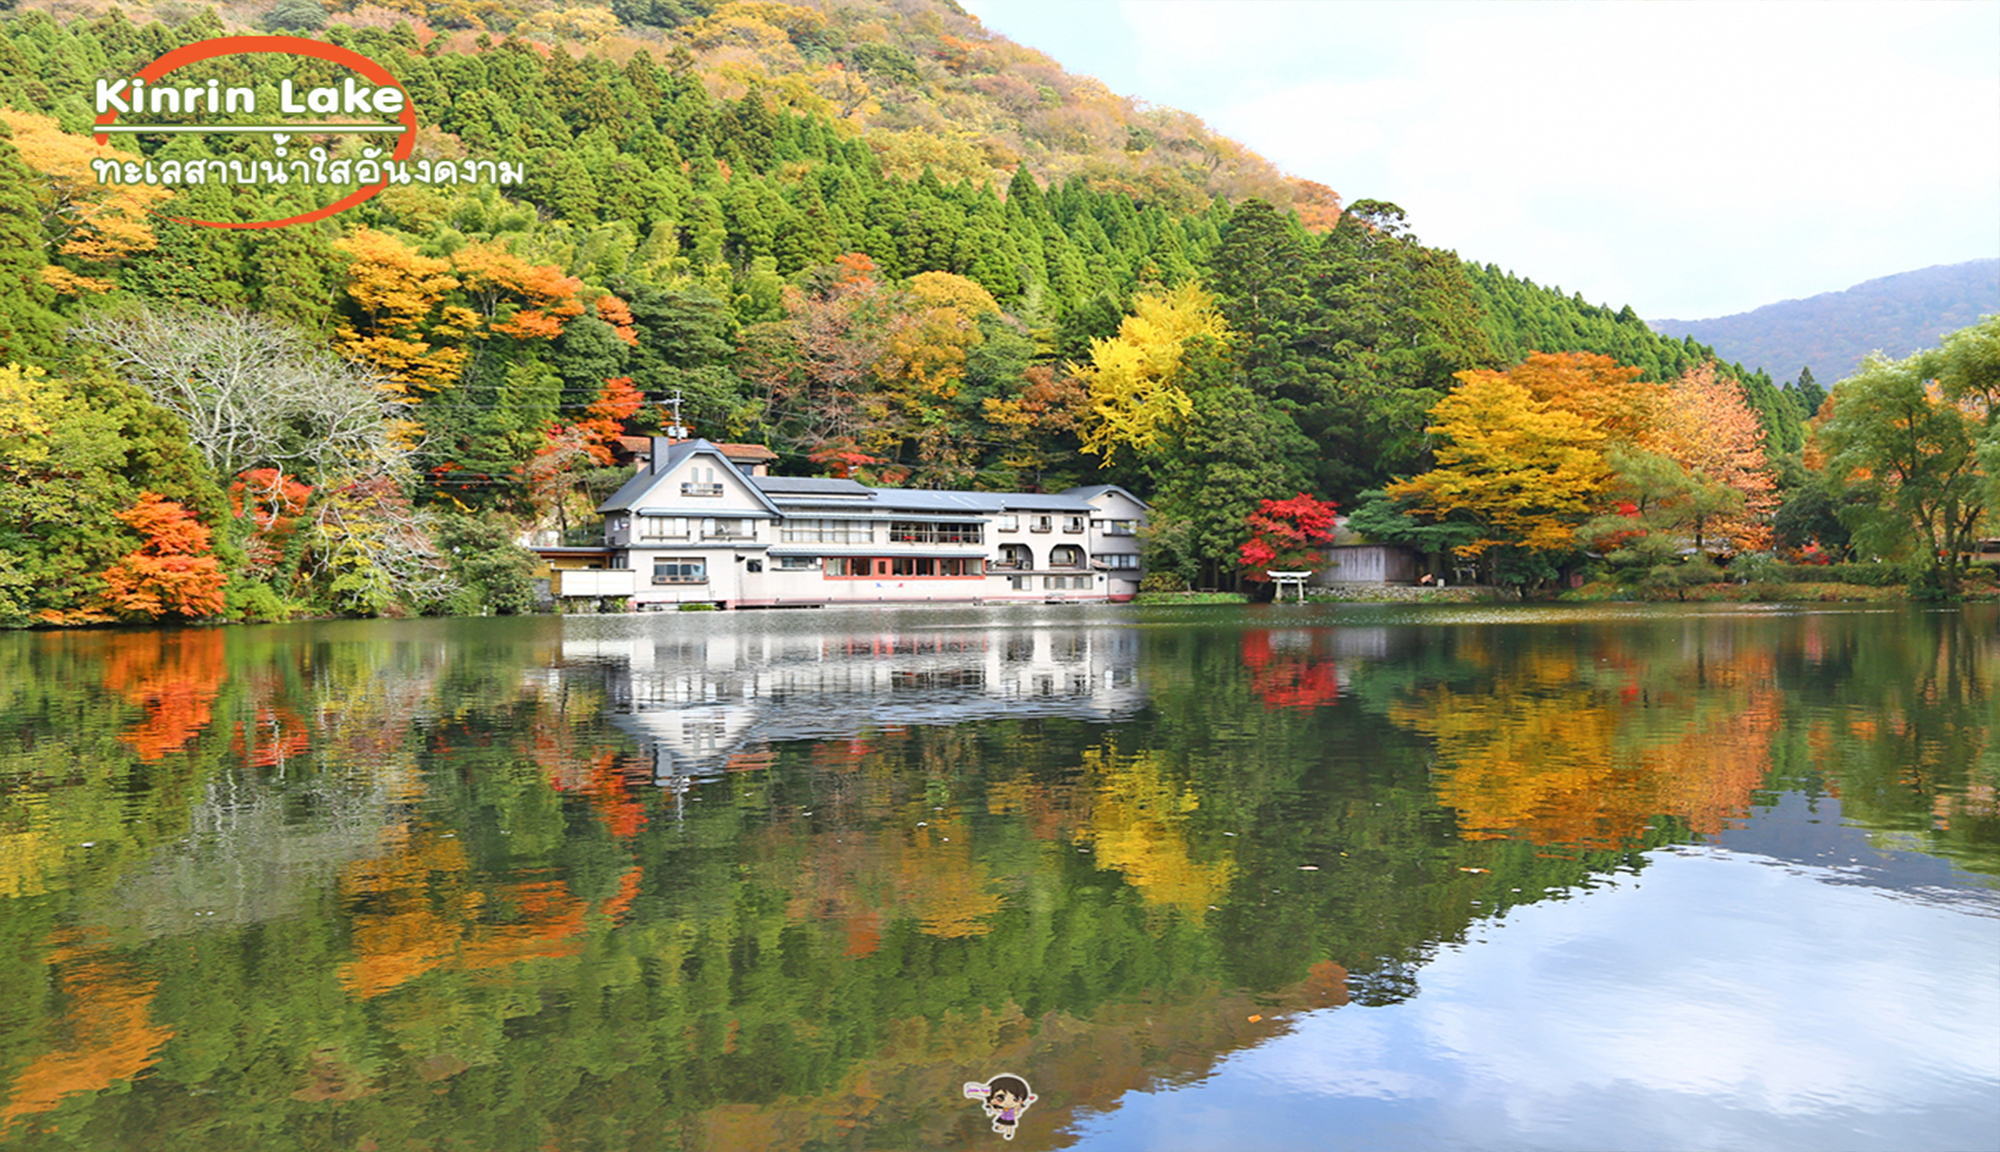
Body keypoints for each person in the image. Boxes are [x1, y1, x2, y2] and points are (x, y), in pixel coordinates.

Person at [964, 1073, 1036, 1140]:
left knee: (1009, 1126)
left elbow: (1016, 1113)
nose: (1008, 1103)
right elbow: (996, 1110)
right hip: (1003, 1116)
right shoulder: (1003, 1108)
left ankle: (1008, 1133)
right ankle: (1000, 1128)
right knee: (1002, 1123)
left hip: (1010, 1117)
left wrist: (1017, 1109)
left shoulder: (1011, 1109)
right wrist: (991, 1106)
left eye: (1015, 1099)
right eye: (1000, 1098)